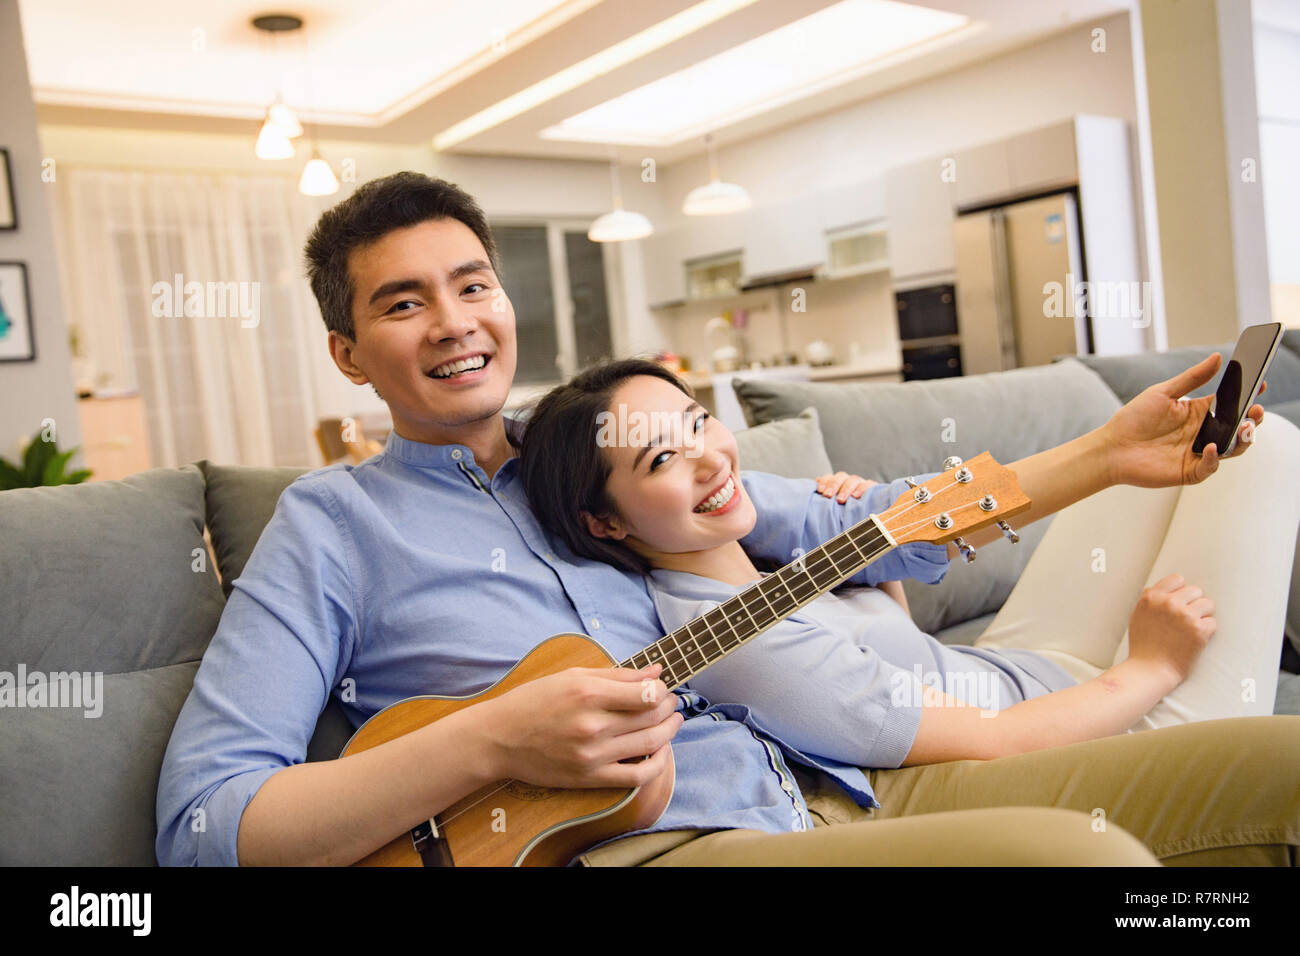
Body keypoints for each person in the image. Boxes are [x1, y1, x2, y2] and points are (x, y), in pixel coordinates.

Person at [153, 172, 1295, 867]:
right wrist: (490, 739)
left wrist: (1108, 451)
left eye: (473, 283)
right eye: (403, 303)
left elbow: (903, 522)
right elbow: (204, 824)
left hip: (829, 784)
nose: (454, 322)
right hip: (662, 839)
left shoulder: (601, 452)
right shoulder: (333, 524)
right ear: (350, 354)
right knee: (1079, 853)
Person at [516, 357, 1300, 866]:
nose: (709, 459)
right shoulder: (732, 643)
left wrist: (874, 577)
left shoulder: (760, 536)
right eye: (660, 460)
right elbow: (996, 742)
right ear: (605, 524)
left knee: (1242, 447)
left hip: (1016, 657)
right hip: (1089, 714)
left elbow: (896, 638)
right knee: (1274, 456)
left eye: (696, 422)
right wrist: (1153, 666)